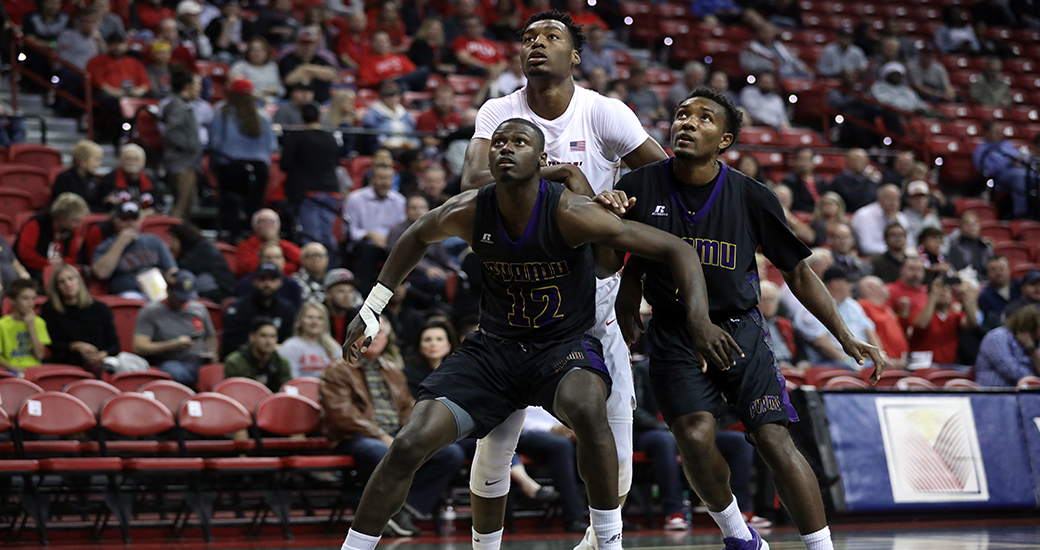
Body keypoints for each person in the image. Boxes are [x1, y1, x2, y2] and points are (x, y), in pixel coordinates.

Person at [336, 117, 731, 550]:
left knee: (588, 409)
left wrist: (698, 319)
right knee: (410, 442)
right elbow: (415, 235)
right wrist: (372, 306)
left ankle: (608, 542)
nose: (505, 148)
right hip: (492, 352)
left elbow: (676, 248)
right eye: (499, 142)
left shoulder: (570, 212)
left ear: (540, 158)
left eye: (519, 142)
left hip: (560, 349)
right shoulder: (470, 209)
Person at [599, 87, 884, 550]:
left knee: (773, 439)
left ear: (725, 140)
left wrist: (845, 334)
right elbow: (623, 254)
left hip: (740, 329)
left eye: (704, 118)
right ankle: (740, 536)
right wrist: (628, 290)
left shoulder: (752, 196)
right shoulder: (638, 185)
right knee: (693, 436)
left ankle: (821, 547)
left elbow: (797, 271)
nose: (688, 123)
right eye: (682, 115)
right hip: (674, 333)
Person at [458, 12, 670, 550]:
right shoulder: (499, 111)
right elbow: (471, 182)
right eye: (528, 37)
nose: (537, 44)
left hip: (593, 284)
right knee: (497, 433)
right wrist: (556, 174)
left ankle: (600, 541)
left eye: (551, 37)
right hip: (521, 286)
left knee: (614, 424)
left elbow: (663, 180)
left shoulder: (603, 113)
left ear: (575, 55)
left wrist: (623, 207)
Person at [322, 315, 466, 537]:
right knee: (379, 451)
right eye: (368, 331)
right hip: (355, 437)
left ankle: (404, 509)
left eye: (380, 333)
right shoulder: (337, 370)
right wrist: (380, 435)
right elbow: (343, 415)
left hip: (394, 434)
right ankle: (384, 510)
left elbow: (410, 409)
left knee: (450, 453)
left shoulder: (393, 370)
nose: (374, 337)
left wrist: (417, 434)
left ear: (387, 339)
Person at [210, 78, 277, 240]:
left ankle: (233, 237)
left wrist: (214, 167)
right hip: (259, 168)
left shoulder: (222, 112)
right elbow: (273, 145)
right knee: (254, 205)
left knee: (231, 202)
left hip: (231, 166)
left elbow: (215, 143)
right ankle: (254, 238)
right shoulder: (263, 115)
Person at [280, 102, 342, 264]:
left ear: (301, 118)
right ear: (320, 117)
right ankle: (331, 270)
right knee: (327, 237)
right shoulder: (330, 138)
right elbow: (337, 162)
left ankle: (318, 274)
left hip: (307, 193)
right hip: (331, 191)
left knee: (312, 239)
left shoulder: (295, 138)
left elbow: (285, 164)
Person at [133, 271, 218, 386]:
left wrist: (212, 354)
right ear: (168, 290)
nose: (183, 301)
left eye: (186, 297)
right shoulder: (150, 311)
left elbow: (211, 338)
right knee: (177, 373)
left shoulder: (199, 309)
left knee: (218, 374)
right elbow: (139, 347)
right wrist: (172, 345)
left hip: (199, 360)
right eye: (179, 297)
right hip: (168, 361)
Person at [516, 406, 592, 533]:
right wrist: (551, 429)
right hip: (523, 432)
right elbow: (513, 417)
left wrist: (569, 427)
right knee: (561, 446)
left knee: (593, 441)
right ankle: (574, 518)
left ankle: (608, 515)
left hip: (556, 430)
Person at [630, 359, 686, 530]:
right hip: (644, 432)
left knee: (738, 443)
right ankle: (674, 511)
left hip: (680, 430)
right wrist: (667, 428)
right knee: (664, 440)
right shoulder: (643, 370)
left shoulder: (688, 369)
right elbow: (635, 411)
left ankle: (742, 510)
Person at [794, 267, 881, 368]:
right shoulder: (812, 308)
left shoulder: (852, 304)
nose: (851, 286)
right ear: (835, 284)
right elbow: (822, 344)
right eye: (847, 282)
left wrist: (879, 357)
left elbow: (869, 331)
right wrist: (850, 363)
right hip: (833, 363)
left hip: (862, 362)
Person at [40, 264, 120, 375]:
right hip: (66, 363)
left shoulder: (100, 309)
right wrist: (74, 346)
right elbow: (51, 343)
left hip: (99, 363)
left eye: (71, 279)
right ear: (56, 287)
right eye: (62, 282)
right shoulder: (50, 309)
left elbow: (114, 345)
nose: (68, 284)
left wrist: (101, 355)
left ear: (79, 281)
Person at [91, 202, 178, 300]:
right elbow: (101, 273)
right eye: (125, 219)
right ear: (115, 221)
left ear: (140, 220)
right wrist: (120, 243)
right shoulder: (106, 245)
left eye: (134, 218)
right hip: (129, 294)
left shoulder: (154, 241)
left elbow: (172, 270)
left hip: (158, 291)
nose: (130, 223)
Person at [342, 163, 407, 292]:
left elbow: (403, 228)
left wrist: (389, 240)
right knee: (369, 249)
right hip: (363, 244)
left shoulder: (400, 200)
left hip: (390, 244)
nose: (384, 182)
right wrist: (370, 235)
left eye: (388, 178)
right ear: (372, 179)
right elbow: (349, 230)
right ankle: (364, 292)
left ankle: (399, 293)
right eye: (381, 178)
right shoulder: (355, 198)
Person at [387, 194, 457, 301]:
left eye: (422, 208)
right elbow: (402, 258)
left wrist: (455, 269)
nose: (418, 211)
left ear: (428, 210)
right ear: (406, 210)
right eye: (413, 208)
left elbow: (442, 256)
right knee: (439, 283)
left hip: (435, 269)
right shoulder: (397, 231)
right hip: (409, 273)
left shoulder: (433, 230)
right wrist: (427, 269)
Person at [221, 263, 297, 358]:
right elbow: (232, 344)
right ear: (254, 281)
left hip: (278, 360)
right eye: (263, 279)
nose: (267, 284)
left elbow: (290, 340)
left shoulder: (287, 308)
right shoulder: (239, 307)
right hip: (244, 360)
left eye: (272, 280)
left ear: (280, 282)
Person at [86, 32, 150, 142]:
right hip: (110, 96)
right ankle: (119, 134)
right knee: (110, 101)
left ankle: (140, 133)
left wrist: (139, 90)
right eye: (113, 44)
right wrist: (114, 92)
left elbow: (145, 83)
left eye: (120, 44)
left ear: (125, 45)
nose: (117, 47)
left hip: (132, 95)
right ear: (108, 45)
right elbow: (98, 82)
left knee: (150, 100)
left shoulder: (134, 62)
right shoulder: (97, 60)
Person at [16, 193, 89, 283]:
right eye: (74, 221)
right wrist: (48, 264)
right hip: (34, 270)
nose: (78, 225)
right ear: (61, 217)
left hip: (61, 270)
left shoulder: (73, 230)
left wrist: (62, 262)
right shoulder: (36, 224)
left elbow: (73, 256)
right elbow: (26, 254)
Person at [909, 275, 978, 365]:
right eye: (940, 288)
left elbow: (972, 323)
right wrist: (933, 297)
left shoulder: (954, 316)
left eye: (948, 289)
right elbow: (922, 324)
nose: (944, 291)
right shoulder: (918, 311)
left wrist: (966, 299)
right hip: (922, 365)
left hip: (948, 366)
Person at [973, 120, 1035, 218]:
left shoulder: (1006, 145)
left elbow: (1019, 157)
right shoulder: (982, 149)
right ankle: (1021, 215)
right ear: (986, 132)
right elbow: (984, 169)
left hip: (1018, 171)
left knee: (1033, 175)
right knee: (1020, 177)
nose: (999, 134)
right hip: (998, 179)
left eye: (1000, 131)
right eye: (995, 131)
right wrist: (1007, 163)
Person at [162, 68, 203, 220]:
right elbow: (172, 132)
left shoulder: (183, 105)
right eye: (198, 85)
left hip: (187, 162)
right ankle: (169, 238)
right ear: (187, 87)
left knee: (185, 207)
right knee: (181, 207)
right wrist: (191, 146)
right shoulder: (177, 106)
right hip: (182, 163)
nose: (200, 89)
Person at [168, 222, 235, 303]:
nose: (170, 244)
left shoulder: (204, 249)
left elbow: (182, 268)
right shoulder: (190, 251)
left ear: (181, 239)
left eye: (172, 239)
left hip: (220, 293)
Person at [975, 306, 1040, 387]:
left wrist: (1031, 349)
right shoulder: (997, 337)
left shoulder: (1034, 343)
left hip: (1025, 395)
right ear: (1031, 325)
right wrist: (1035, 380)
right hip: (994, 395)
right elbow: (1011, 370)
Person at [223, 316, 291, 392]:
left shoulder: (281, 362)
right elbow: (231, 391)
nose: (269, 341)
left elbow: (286, 391)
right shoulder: (235, 362)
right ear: (252, 337)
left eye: (272, 336)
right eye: (263, 336)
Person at [280, 301, 343, 379]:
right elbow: (289, 378)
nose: (314, 322)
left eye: (320, 318)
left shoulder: (334, 347)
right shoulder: (290, 347)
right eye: (310, 317)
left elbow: (341, 376)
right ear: (300, 321)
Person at [234, 209, 302, 279]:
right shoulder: (245, 246)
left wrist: (276, 241)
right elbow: (251, 268)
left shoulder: (285, 245)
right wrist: (290, 267)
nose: (267, 225)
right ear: (254, 227)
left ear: (278, 227)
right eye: (262, 222)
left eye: (271, 222)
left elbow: (301, 259)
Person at [0, 279, 50, 374]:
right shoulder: (2, 324)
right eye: (25, 298)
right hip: (11, 370)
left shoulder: (39, 323)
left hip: (35, 370)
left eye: (33, 298)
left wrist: (32, 328)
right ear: (13, 300)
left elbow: (40, 355)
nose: (30, 303)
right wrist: (15, 369)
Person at [234, 242, 304, 308]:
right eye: (268, 257)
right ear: (260, 260)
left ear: (284, 261)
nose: (273, 261)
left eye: (277, 257)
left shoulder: (292, 285)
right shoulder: (247, 283)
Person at [857, 276, 909, 365]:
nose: (887, 287)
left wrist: (904, 313)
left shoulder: (887, 309)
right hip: (884, 363)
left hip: (899, 362)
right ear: (871, 287)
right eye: (882, 285)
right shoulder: (863, 306)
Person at [359, 81, 421, 155]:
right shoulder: (373, 112)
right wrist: (385, 143)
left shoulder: (405, 113)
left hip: (406, 146)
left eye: (395, 95)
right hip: (385, 147)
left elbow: (412, 132)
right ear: (382, 97)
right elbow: (371, 132)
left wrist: (414, 143)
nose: (393, 98)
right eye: (389, 96)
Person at [96, 145, 162, 213]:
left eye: (136, 159)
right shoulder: (109, 179)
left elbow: (158, 206)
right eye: (128, 158)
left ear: (144, 162)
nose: (132, 162)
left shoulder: (151, 178)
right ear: (120, 160)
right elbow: (101, 206)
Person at [278, 27, 338, 103]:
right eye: (303, 44)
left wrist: (305, 68)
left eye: (310, 44)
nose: (307, 47)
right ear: (296, 44)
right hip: (293, 104)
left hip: (321, 102)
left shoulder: (321, 59)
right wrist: (317, 72)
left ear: (316, 45)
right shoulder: (287, 59)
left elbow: (332, 75)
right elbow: (289, 80)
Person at [403, 318, 457, 398]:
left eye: (439, 339)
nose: (433, 344)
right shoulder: (408, 375)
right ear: (419, 345)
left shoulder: (457, 373)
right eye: (427, 340)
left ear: (449, 345)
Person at [851, 184, 909, 256]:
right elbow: (866, 247)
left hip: (897, 257)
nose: (893, 203)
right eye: (889, 199)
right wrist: (894, 250)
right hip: (873, 259)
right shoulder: (863, 216)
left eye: (896, 199)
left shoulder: (901, 217)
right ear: (879, 199)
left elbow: (909, 244)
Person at [739, 22, 812, 79]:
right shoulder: (751, 48)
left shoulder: (780, 46)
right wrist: (768, 67)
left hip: (788, 73)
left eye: (770, 32)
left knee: (809, 76)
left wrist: (803, 67)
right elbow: (748, 65)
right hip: (770, 75)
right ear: (759, 33)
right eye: (765, 32)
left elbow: (792, 59)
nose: (768, 34)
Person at [357, 29, 423, 90]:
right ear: (372, 43)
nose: (381, 44)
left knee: (424, 70)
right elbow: (368, 79)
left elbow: (412, 72)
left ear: (389, 43)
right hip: (387, 87)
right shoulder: (367, 61)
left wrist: (399, 77)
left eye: (385, 41)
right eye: (378, 42)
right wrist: (388, 79)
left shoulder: (399, 57)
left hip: (405, 82)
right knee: (402, 86)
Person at [229, 37, 285, 103]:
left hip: (274, 100)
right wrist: (257, 94)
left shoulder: (272, 66)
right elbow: (237, 88)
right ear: (248, 52)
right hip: (250, 101)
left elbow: (282, 90)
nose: (257, 54)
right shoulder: (240, 66)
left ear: (267, 52)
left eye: (261, 50)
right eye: (254, 50)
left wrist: (275, 90)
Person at [51, 140, 104, 207]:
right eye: (96, 160)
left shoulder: (93, 180)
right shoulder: (64, 179)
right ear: (83, 162)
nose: (98, 164)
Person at [828, 148, 880, 213]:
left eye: (863, 161)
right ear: (847, 161)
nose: (861, 163)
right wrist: (867, 179)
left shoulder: (871, 180)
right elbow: (852, 199)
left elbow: (874, 198)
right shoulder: (839, 181)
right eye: (857, 160)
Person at [887, 256, 929, 328]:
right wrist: (902, 313)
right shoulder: (889, 290)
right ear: (901, 270)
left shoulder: (929, 291)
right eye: (911, 269)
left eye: (919, 270)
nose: (915, 273)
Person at [780, 148, 823, 214]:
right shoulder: (790, 181)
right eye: (801, 160)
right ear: (795, 161)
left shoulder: (820, 180)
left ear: (813, 163)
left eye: (808, 160)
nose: (804, 163)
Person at [978, 256, 1019, 324]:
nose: (998, 273)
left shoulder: (1021, 288)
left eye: (1001, 269)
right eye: (993, 270)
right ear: (987, 273)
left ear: (1009, 270)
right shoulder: (984, 297)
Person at [323, 268, 359, 343]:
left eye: (350, 291)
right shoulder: (318, 316)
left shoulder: (357, 317)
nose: (347, 296)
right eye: (341, 291)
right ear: (328, 294)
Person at [901, 181, 941, 248]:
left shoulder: (932, 218)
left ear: (928, 199)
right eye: (915, 197)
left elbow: (943, 240)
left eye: (922, 197)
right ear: (908, 199)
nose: (919, 200)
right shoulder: (902, 217)